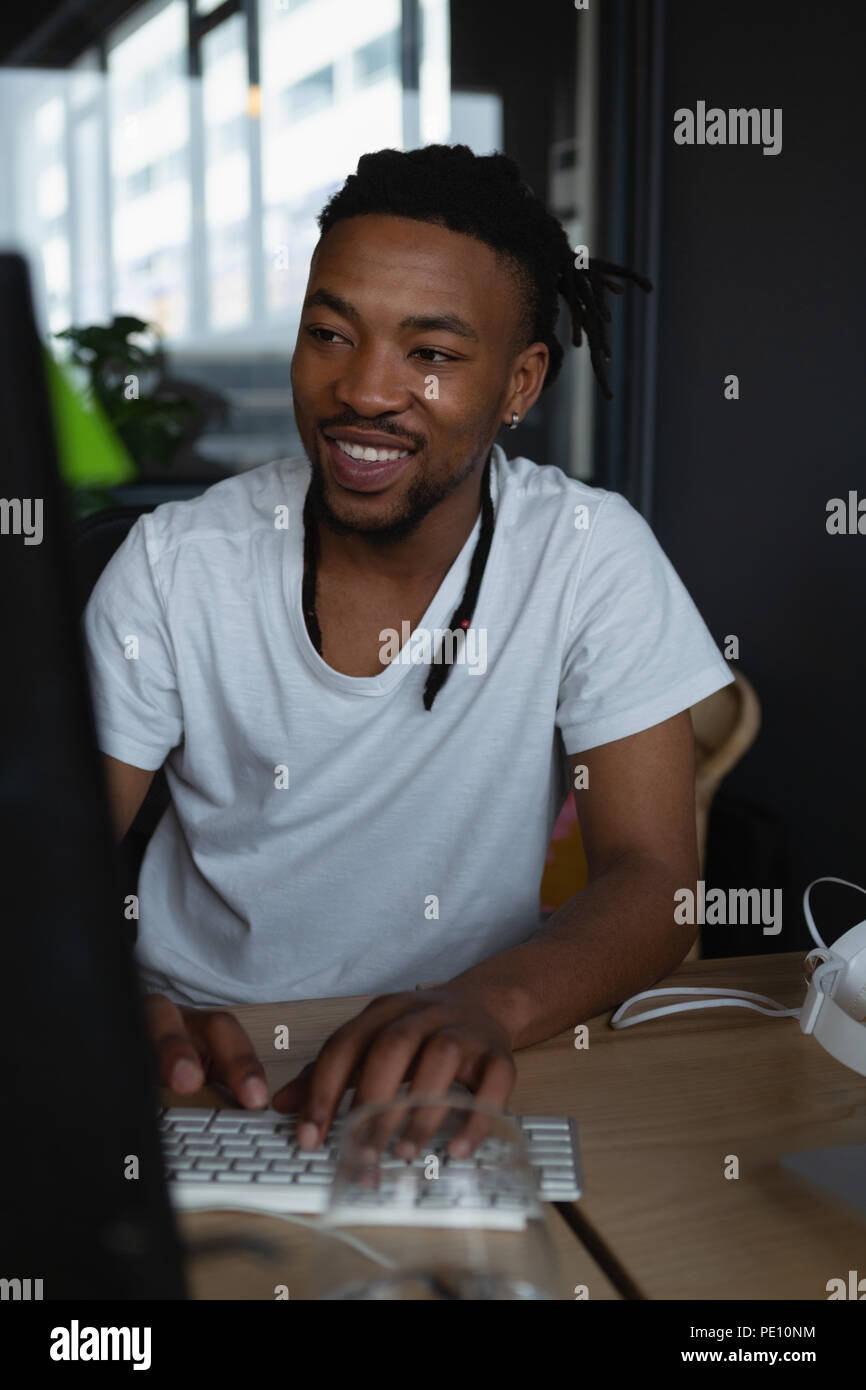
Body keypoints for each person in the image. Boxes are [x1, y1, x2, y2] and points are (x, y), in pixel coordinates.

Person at [84, 145, 734, 1152]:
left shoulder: (586, 554)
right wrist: (85, 1001)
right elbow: (44, 867)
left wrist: (485, 1005)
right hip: (208, 1060)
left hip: (460, 1052)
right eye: (329, 334)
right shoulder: (177, 562)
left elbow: (655, 880)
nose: (364, 390)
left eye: (428, 353)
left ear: (519, 383)